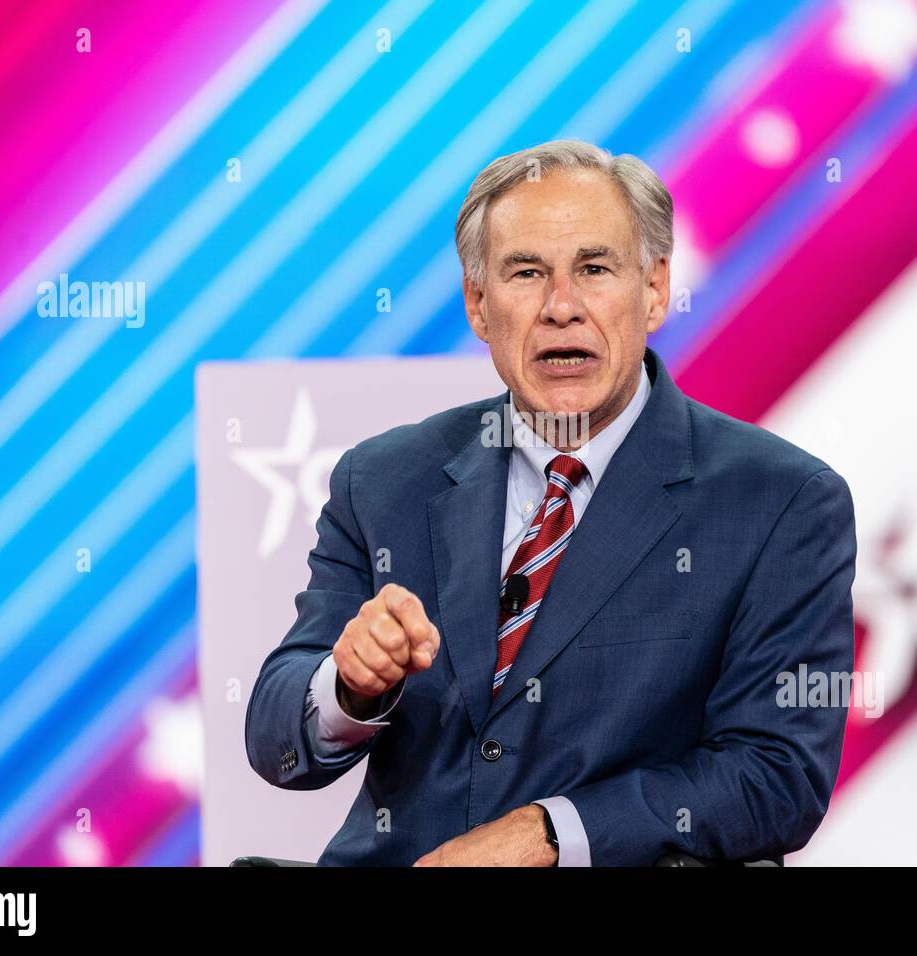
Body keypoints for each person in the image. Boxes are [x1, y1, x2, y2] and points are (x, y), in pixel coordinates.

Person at [245, 139, 857, 866]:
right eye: (526, 273)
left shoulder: (781, 501)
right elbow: (275, 742)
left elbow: (775, 777)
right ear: (478, 304)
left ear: (655, 288)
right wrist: (349, 686)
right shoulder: (383, 480)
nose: (562, 307)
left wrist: (550, 834)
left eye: (595, 270)